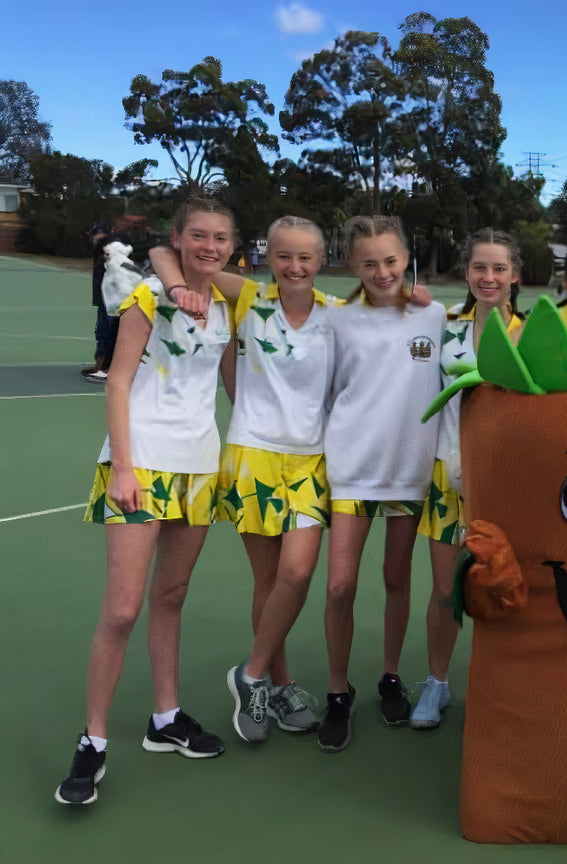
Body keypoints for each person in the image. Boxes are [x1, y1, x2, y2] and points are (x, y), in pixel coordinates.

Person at [54, 197, 235, 806]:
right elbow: (121, 381)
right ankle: (94, 739)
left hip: (199, 465)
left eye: (221, 238)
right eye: (198, 236)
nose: (210, 246)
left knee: (172, 595)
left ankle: (166, 718)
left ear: (232, 246)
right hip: (142, 464)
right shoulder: (147, 298)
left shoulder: (229, 307)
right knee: (124, 608)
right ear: (179, 239)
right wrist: (123, 466)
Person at [151, 216, 339, 743]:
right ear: (264, 257)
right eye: (283, 255)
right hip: (253, 455)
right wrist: (174, 286)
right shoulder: (249, 297)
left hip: (310, 463)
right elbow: (164, 255)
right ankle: (278, 686)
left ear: (322, 261)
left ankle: (249, 673)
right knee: (269, 580)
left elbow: (391, 309)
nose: (295, 266)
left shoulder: (339, 316)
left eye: (305, 257)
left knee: (298, 574)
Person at [317, 215, 445, 752]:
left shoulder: (435, 315)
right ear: (352, 265)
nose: (382, 271)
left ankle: (389, 675)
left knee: (397, 578)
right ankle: (337, 691)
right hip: (352, 469)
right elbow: (326, 394)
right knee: (340, 585)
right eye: (369, 262)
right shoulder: (338, 320)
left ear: (406, 256)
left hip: (409, 473)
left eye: (391, 260)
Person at [410, 227, 524, 730]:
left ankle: (499, 687)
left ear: (514, 275)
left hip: (505, 482)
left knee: (499, 587)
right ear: (467, 272)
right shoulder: (442, 323)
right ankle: (436, 684)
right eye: (480, 267)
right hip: (445, 473)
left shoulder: (530, 332)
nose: (489, 277)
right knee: (443, 591)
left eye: (499, 268)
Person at [81, 223, 124, 383]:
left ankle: (107, 368)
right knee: (101, 333)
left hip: (113, 301)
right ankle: (101, 364)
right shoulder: (99, 252)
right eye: (94, 238)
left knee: (108, 334)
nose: (96, 241)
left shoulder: (115, 253)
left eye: (100, 238)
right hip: (103, 300)